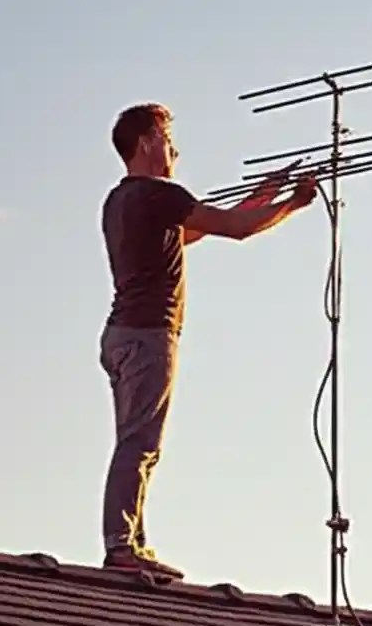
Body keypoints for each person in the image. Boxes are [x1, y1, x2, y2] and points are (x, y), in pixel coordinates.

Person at [98, 102, 318, 577]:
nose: (174, 149)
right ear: (146, 144)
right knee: (140, 444)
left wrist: (263, 198)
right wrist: (292, 206)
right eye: (167, 139)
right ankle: (122, 545)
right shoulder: (161, 195)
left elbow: (202, 232)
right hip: (149, 334)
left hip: (122, 335)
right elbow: (235, 231)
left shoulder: (122, 201)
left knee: (136, 442)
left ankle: (132, 540)